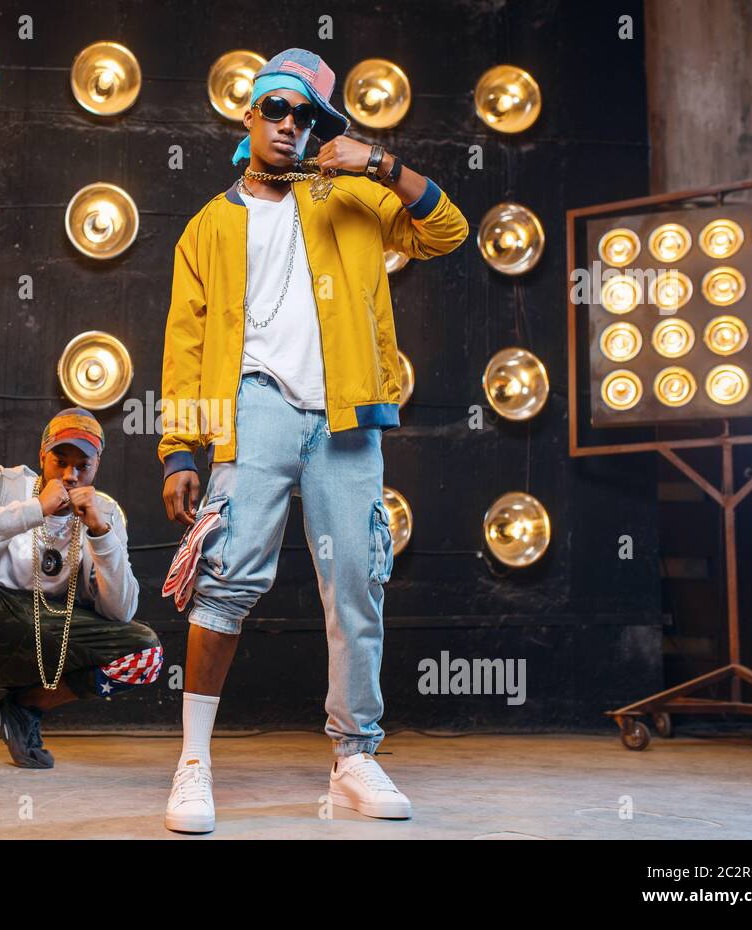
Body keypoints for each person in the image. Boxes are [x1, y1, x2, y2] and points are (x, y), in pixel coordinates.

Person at [157, 48, 468, 832]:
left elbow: (449, 230)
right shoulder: (207, 226)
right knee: (224, 578)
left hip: (345, 414)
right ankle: (193, 764)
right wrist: (178, 449)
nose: (291, 125)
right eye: (277, 109)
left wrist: (382, 161)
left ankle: (354, 757)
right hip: (252, 407)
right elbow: (185, 343)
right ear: (249, 114)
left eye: (307, 116)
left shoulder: (352, 198)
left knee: (358, 581)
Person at [0, 407, 162, 786]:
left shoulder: (104, 512)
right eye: (61, 461)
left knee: (146, 654)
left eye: (83, 465)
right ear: (43, 455)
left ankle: (23, 709)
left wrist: (100, 532)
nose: (70, 475)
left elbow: (121, 611)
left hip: (52, 640)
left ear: (97, 466)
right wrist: (35, 510)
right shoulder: (0, 483)